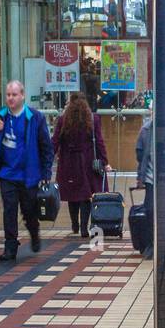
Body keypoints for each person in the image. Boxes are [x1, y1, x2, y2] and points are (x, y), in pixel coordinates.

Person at [0, 80, 53, 262]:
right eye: (8, 94)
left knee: (29, 210)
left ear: (22, 95)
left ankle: (34, 232)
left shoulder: (35, 117)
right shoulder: (0, 115)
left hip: (29, 175)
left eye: (14, 95)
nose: (10, 98)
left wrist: (46, 173)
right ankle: (10, 246)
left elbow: (46, 147)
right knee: (9, 210)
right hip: (7, 174)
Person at [52, 94, 108, 240]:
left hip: (68, 162)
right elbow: (99, 141)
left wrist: (47, 159)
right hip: (87, 162)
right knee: (85, 195)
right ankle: (84, 227)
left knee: (73, 194)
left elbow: (55, 141)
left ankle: (74, 224)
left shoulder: (63, 120)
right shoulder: (93, 119)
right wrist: (104, 160)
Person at [135, 113, 154, 259]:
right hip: (150, 178)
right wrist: (140, 178)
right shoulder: (146, 130)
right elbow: (140, 156)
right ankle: (150, 243)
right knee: (149, 209)